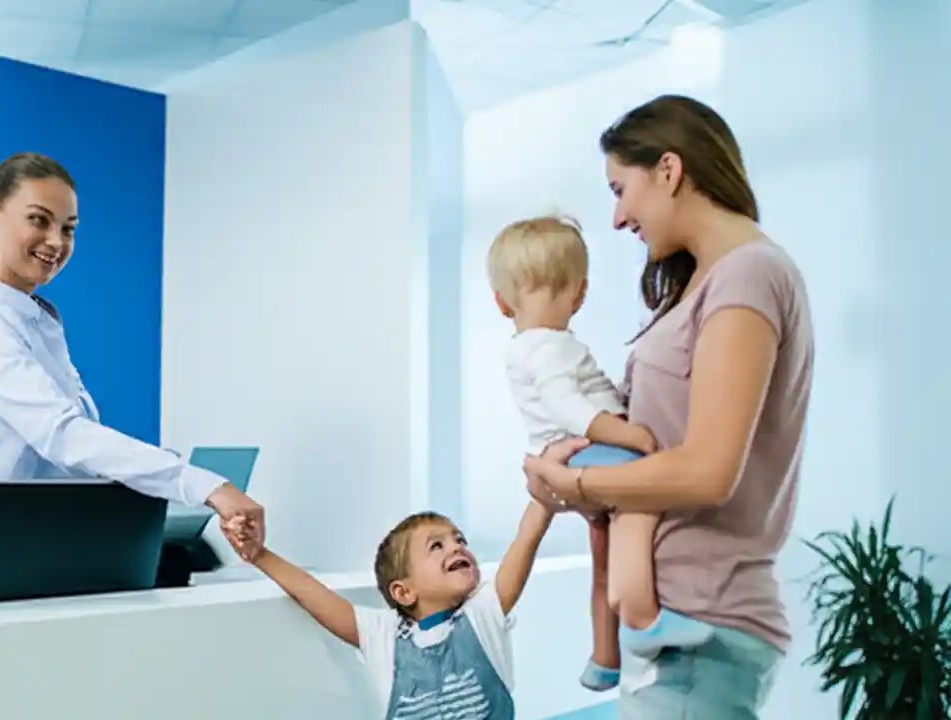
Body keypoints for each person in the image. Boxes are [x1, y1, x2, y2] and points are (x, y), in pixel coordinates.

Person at [523, 94, 813, 717]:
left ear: (670, 171)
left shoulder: (747, 275)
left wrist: (576, 483)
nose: (618, 217)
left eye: (621, 189)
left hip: (698, 623)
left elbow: (706, 472)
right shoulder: (713, 281)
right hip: (680, 625)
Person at [0, 152, 264, 556]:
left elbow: (74, 458)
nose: (56, 241)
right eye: (39, 220)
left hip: (40, 546)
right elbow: (63, 435)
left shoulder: (38, 322)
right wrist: (206, 486)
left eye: (68, 228)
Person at [486, 214, 713, 693]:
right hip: (593, 452)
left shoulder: (525, 347)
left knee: (604, 561)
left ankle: (604, 657)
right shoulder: (551, 347)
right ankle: (647, 620)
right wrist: (631, 436)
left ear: (500, 301)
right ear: (581, 294)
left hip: (568, 456)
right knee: (644, 501)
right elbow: (570, 407)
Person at [220, 502, 555, 719]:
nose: (456, 547)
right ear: (403, 591)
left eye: (459, 540)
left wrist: (544, 499)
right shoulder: (383, 636)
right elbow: (313, 594)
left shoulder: (483, 615)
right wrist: (259, 555)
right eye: (436, 546)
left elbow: (525, 541)